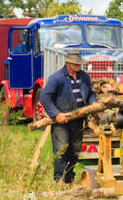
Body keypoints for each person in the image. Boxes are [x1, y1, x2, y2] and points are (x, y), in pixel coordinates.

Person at [39, 50, 95, 184]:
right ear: (67, 63)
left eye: (79, 64)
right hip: (61, 121)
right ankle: (59, 180)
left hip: (78, 119)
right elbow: (44, 97)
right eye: (76, 64)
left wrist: (93, 105)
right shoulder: (57, 78)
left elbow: (90, 93)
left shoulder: (84, 77)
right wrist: (56, 114)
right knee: (61, 151)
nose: (78, 66)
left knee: (74, 151)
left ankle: (69, 179)